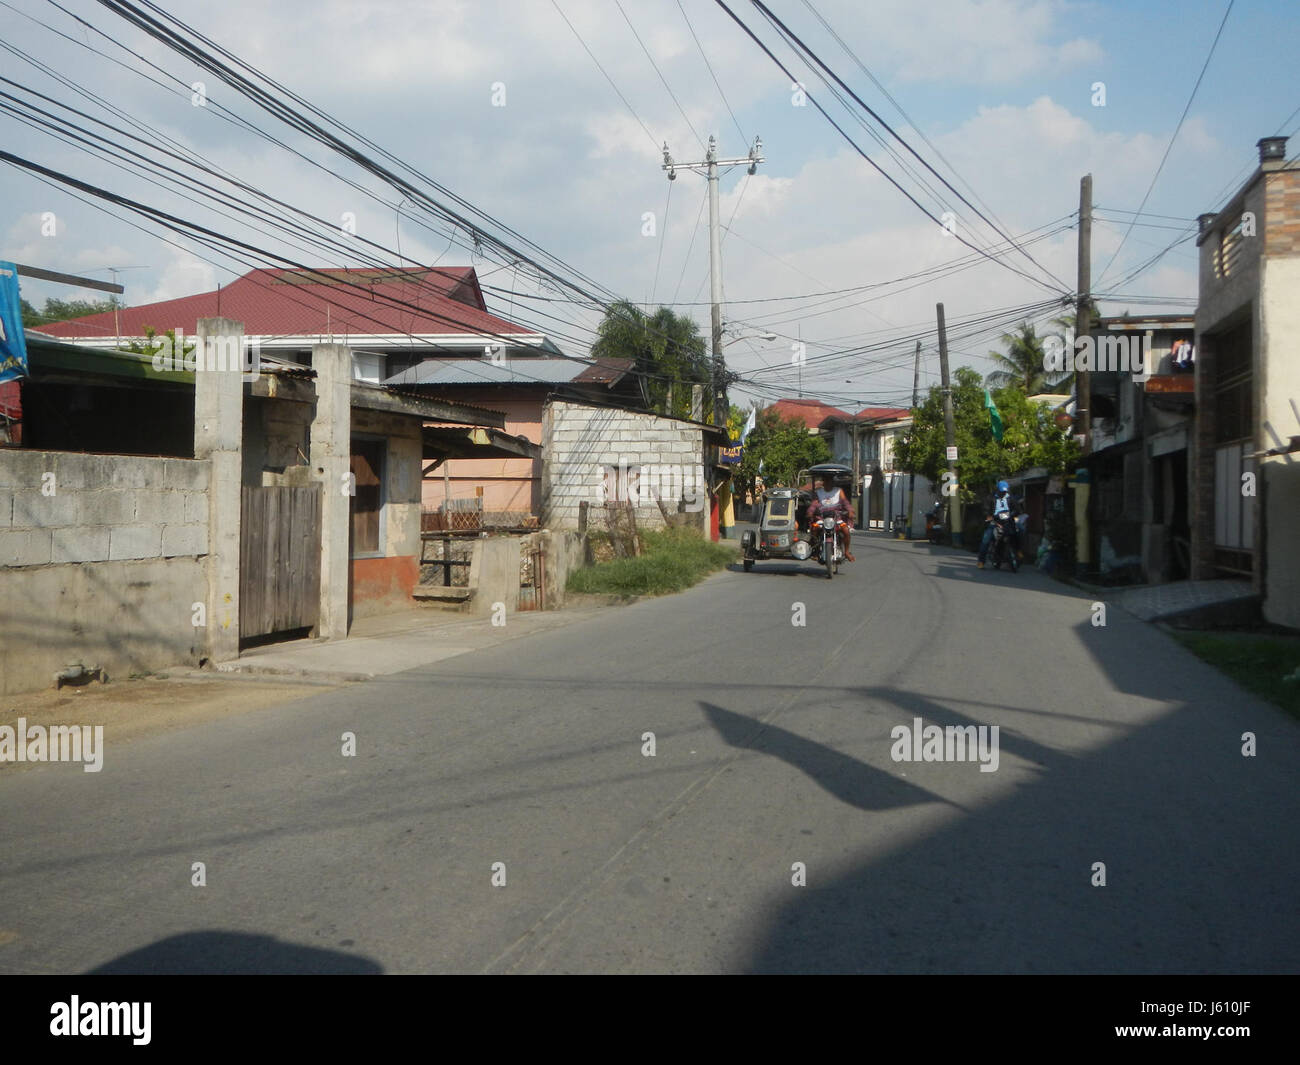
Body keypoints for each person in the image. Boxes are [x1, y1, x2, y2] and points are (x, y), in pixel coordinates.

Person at [806, 473, 854, 561]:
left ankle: (846, 552)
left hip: (837, 517)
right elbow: (814, 504)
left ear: (832, 482)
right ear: (823, 482)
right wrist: (810, 512)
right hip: (822, 517)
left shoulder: (838, 491)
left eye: (829, 480)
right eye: (826, 480)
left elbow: (845, 502)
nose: (828, 482)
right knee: (814, 529)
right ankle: (816, 551)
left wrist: (850, 510)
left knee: (846, 530)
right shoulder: (819, 492)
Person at [977, 479, 1020, 569]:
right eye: (1002, 491)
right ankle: (981, 561)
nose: (1003, 493)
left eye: (1005, 491)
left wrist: (1012, 514)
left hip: (1008, 521)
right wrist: (989, 517)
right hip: (995, 521)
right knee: (986, 539)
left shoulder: (1010, 498)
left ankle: (1019, 552)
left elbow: (1017, 509)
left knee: (1020, 531)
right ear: (998, 490)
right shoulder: (991, 498)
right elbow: (985, 510)